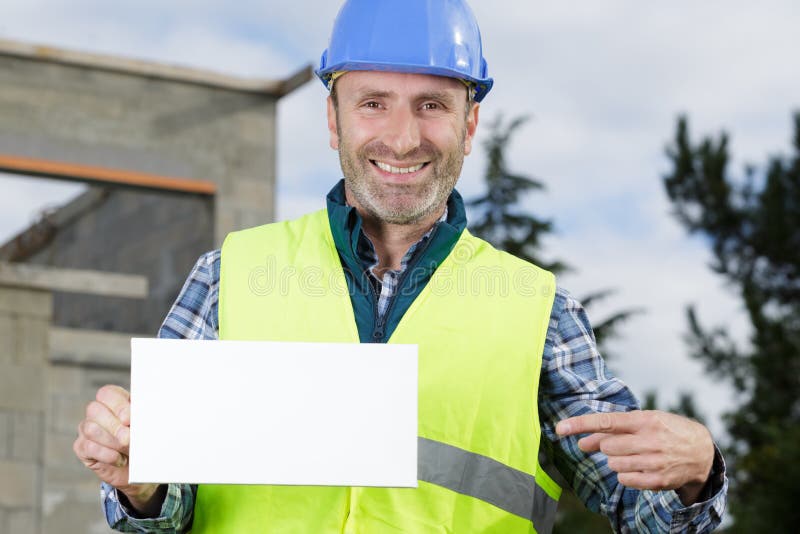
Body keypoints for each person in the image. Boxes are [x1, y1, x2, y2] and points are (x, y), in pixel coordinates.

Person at [73, 1, 727, 532]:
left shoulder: (540, 313)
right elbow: (158, 510)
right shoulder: (229, 277)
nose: (403, 137)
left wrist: (697, 471)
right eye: (374, 102)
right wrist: (140, 488)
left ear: (470, 128)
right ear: (333, 121)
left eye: (433, 106)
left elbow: (654, 519)